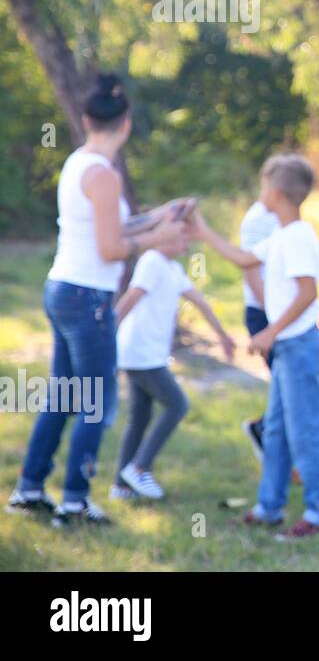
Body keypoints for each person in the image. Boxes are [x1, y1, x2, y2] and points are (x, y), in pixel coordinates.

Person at [7, 74, 190, 527]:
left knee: (64, 395)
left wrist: (156, 216)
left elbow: (109, 231)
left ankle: (30, 488)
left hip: (63, 288)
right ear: (125, 123)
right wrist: (157, 239)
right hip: (88, 298)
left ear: (87, 119)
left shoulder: (78, 163)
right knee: (96, 403)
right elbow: (111, 249)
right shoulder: (105, 177)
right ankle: (74, 500)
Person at [192, 154, 319, 539]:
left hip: (300, 345)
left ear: (273, 192)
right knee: (275, 431)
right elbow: (243, 258)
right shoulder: (281, 235)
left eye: (262, 187)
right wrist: (202, 231)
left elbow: (308, 293)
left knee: (304, 432)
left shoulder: (299, 238)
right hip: (288, 347)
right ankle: (269, 507)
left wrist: (269, 333)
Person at [112, 223, 236, 500]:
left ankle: (121, 485)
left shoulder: (172, 269)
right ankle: (139, 468)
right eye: (182, 237)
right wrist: (108, 331)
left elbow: (200, 302)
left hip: (148, 354)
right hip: (140, 353)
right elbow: (132, 297)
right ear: (164, 235)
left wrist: (223, 336)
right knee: (177, 405)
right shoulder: (152, 261)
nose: (187, 243)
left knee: (139, 417)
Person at [236, 197, 280, 465]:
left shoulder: (282, 219)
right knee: (289, 394)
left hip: (280, 316)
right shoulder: (257, 220)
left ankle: (286, 462)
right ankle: (263, 432)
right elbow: (251, 274)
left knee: (289, 393)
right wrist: (277, 322)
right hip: (265, 314)